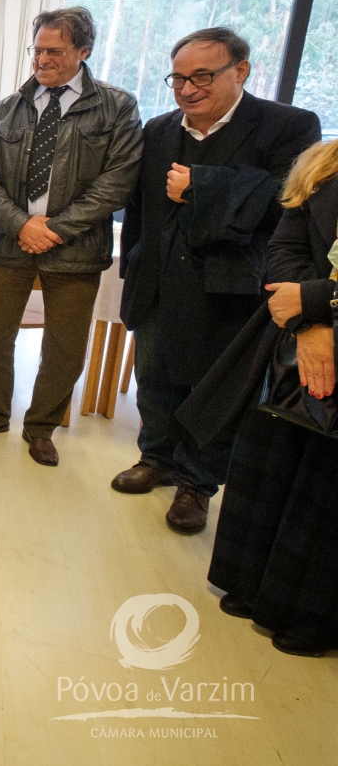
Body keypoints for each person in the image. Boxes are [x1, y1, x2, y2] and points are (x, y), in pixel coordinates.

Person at [114, 27, 321, 534]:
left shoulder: (286, 128)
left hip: (232, 291)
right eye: (179, 78)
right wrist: (134, 262)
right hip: (159, 280)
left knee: (215, 390)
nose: (188, 89)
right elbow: (140, 209)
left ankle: (196, 483)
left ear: (241, 70)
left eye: (202, 76)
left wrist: (202, 186)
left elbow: (289, 203)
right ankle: (156, 457)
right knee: (155, 378)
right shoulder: (160, 130)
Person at [176, 139, 338, 657]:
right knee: (272, 472)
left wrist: (314, 303)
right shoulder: (323, 163)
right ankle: (251, 587)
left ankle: (310, 615)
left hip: (308, 319)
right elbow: (285, 248)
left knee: (325, 492)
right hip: (293, 346)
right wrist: (310, 326)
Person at [0, 6, 142, 466]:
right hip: (10, 242)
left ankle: (42, 427)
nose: (41, 59)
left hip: (76, 249)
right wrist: (21, 224)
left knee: (63, 347)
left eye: (53, 51)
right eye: (36, 49)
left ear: (83, 51)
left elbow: (117, 181)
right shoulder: (8, 108)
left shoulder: (116, 107)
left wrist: (54, 229)